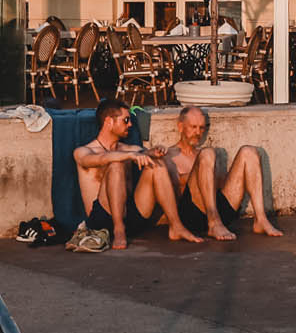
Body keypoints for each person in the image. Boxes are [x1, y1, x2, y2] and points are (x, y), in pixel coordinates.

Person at [72, 98, 201, 250]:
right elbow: (102, 158)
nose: (130, 125)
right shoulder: (83, 151)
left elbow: (143, 154)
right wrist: (130, 156)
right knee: (116, 165)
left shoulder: (129, 148)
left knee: (156, 166)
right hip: (102, 221)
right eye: (126, 120)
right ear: (109, 122)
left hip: (132, 217)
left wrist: (154, 152)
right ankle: (118, 229)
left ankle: (176, 226)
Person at [161, 106, 282, 240]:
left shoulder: (203, 157)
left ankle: (260, 219)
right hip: (192, 215)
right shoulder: (169, 156)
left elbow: (221, 183)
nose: (198, 132)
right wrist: (201, 175)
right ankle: (213, 222)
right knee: (208, 153)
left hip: (221, 210)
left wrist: (227, 177)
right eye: (193, 127)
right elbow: (170, 187)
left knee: (249, 152)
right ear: (180, 126)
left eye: (201, 128)